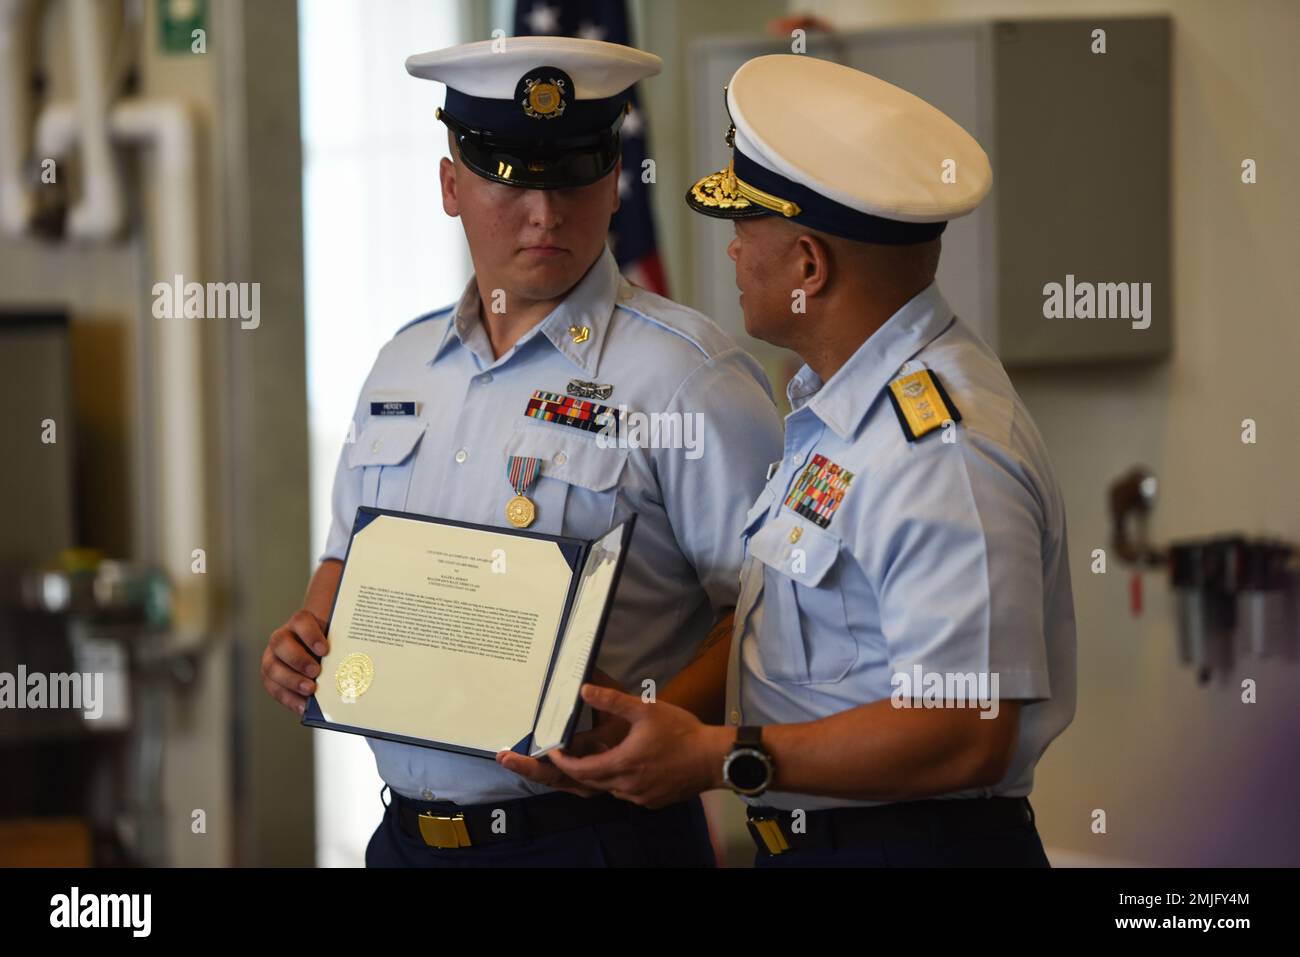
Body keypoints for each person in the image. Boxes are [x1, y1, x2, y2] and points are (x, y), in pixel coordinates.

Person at [515, 54, 1077, 867]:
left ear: (811, 267)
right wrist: (644, 730)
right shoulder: (843, 411)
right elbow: (775, 639)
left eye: (746, 230)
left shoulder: (940, 449)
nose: (736, 256)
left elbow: (964, 733)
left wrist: (718, 756)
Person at [259, 36, 783, 867]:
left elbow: (771, 611)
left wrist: (655, 728)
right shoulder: (401, 365)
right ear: (450, 185)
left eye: (574, 173)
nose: (545, 213)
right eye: (510, 176)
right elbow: (343, 558)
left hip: (597, 837)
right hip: (407, 842)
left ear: (614, 182)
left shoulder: (690, 378)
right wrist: (308, 635)